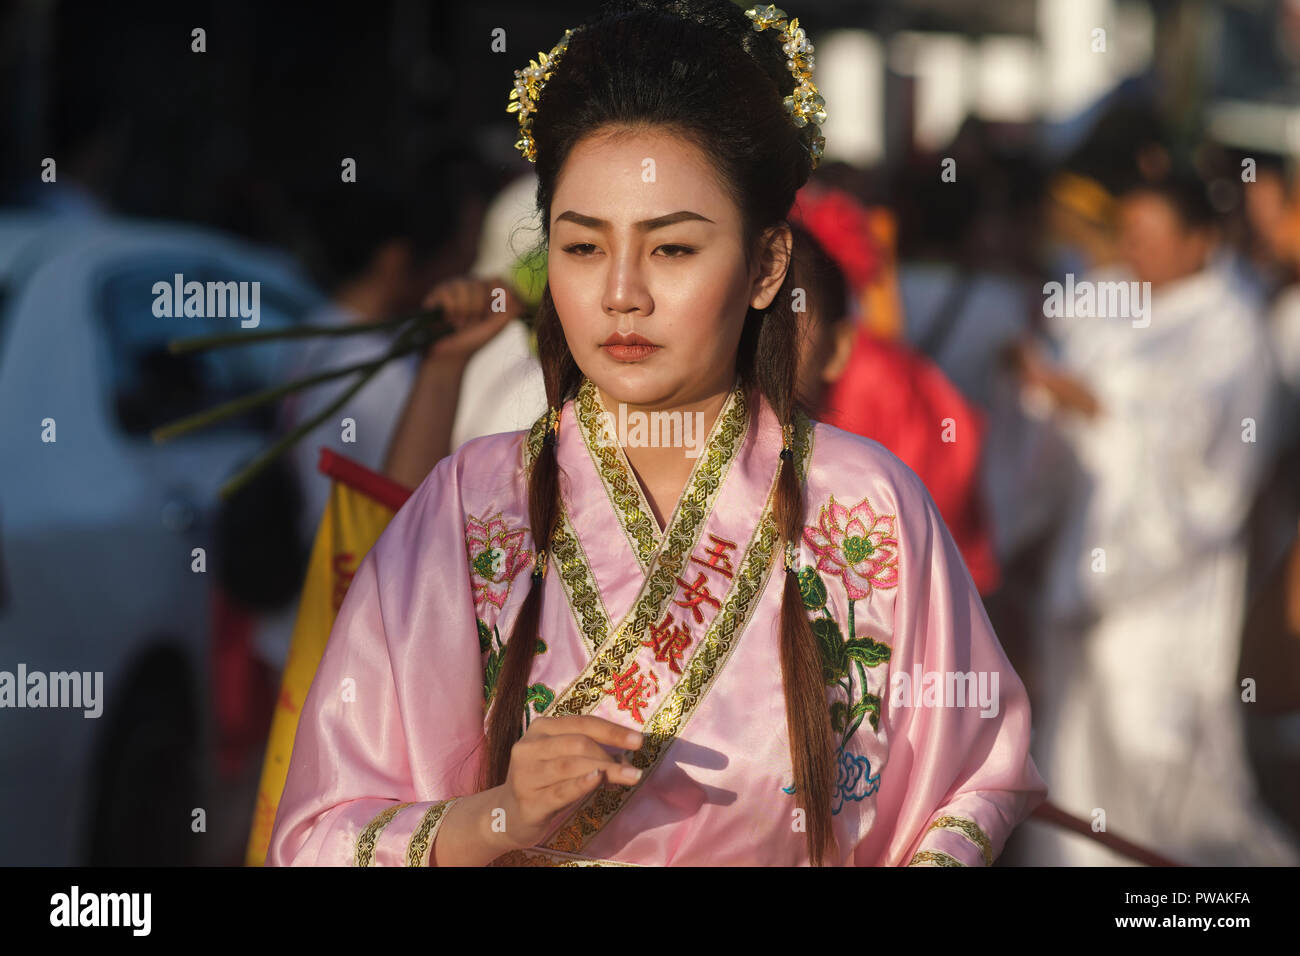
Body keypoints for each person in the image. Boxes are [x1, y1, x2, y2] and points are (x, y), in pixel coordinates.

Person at [267, 0, 1045, 867]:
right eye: (582, 249)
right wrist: (499, 817)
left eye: (671, 250)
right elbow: (319, 837)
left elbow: (975, 773)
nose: (621, 294)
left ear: (765, 266)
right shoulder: (468, 508)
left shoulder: (867, 506)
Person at [1014, 170, 1300, 866]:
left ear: (1199, 240)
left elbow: (1218, 478)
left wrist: (1103, 414)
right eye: (1127, 234)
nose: (1132, 249)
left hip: (1172, 582)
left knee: (1156, 750)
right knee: (1077, 749)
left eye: (1148, 235)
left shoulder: (1233, 330)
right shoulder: (1113, 307)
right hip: (1086, 557)